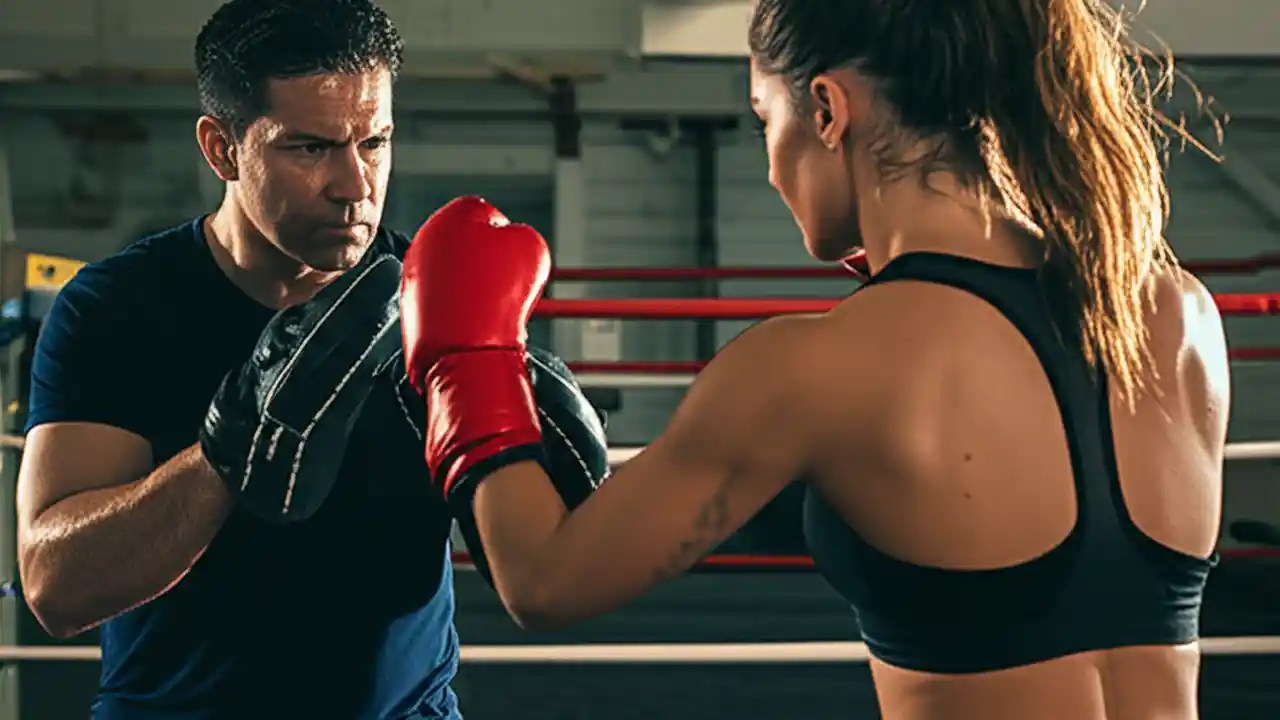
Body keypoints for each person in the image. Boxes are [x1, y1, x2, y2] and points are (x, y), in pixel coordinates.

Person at [397, 2, 1230, 720]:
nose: (769, 163)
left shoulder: (814, 366)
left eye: (768, 120)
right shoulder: (1176, 312)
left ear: (828, 110)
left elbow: (545, 580)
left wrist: (467, 356)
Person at [15, 1, 468, 718]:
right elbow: (56, 589)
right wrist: (231, 450)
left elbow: (534, 578)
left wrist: (531, 461)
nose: (354, 185)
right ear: (222, 148)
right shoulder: (120, 309)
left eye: (374, 142)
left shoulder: (434, 297)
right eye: (310, 148)